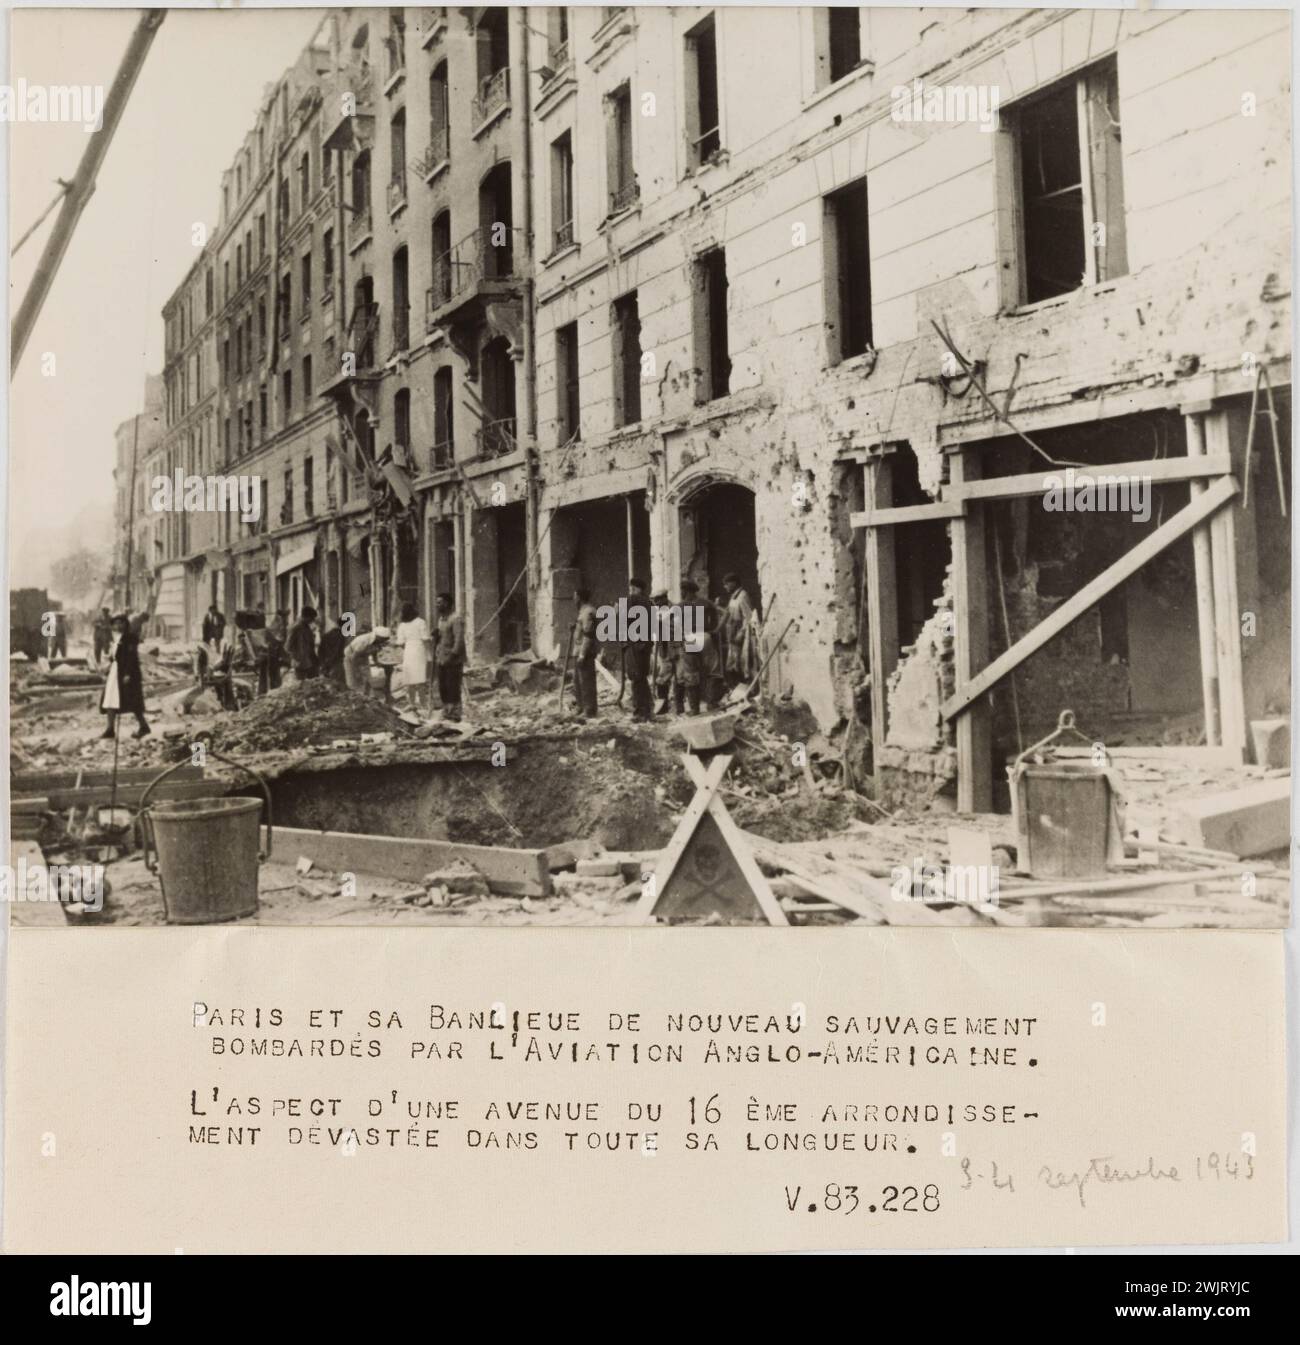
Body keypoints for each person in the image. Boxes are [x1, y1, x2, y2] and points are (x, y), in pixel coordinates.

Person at [99, 613, 150, 739]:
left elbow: (131, 657)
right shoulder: (115, 638)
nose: (118, 625)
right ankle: (110, 729)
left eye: (121, 623)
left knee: (133, 702)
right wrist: (108, 665)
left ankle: (144, 726)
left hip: (129, 673)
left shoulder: (130, 638)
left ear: (125, 624)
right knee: (110, 699)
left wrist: (127, 673)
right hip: (115, 672)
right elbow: (115, 656)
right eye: (115, 623)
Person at [623, 576, 653, 722]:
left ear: (635, 588)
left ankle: (639, 712)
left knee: (636, 678)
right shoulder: (649, 602)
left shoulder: (633, 600)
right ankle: (647, 710)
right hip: (645, 645)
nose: (630, 590)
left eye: (631, 588)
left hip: (635, 644)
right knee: (642, 678)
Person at [721, 572, 758, 689]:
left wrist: (741, 634)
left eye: (727, 584)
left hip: (740, 635)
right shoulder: (733, 597)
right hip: (732, 634)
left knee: (742, 663)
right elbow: (729, 613)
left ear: (734, 583)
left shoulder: (743, 596)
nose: (725, 587)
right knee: (732, 664)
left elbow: (749, 617)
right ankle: (736, 689)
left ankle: (746, 689)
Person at [396, 601, 433, 712]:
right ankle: (423, 704)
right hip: (419, 650)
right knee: (420, 679)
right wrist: (429, 652)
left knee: (410, 679)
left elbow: (400, 642)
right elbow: (425, 638)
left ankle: (412, 703)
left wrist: (407, 646)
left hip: (408, 651)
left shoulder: (402, 625)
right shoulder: (420, 622)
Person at [434, 594, 466, 720]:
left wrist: (452, 656)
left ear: (447, 603)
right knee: (443, 687)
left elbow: (459, 641)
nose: (437, 605)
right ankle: (447, 712)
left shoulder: (456, 618)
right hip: (442, 658)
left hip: (453, 660)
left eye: (439, 603)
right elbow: (442, 638)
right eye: (437, 603)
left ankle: (455, 714)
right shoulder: (441, 619)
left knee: (452, 686)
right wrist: (436, 635)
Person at [572, 587, 599, 720]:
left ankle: (589, 710)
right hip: (578, 651)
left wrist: (582, 654)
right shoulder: (582, 611)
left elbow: (588, 635)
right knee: (577, 681)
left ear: (579, 597)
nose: (573, 598)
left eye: (575, 595)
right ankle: (581, 707)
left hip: (585, 653)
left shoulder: (588, 612)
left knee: (586, 682)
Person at [650, 590, 679, 715]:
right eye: (654, 600)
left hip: (674, 646)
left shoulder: (674, 609)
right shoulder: (658, 610)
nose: (656, 603)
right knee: (663, 674)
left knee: (671, 675)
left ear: (664, 598)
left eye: (657, 600)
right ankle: (664, 704)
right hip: (662, 646)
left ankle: (674, 705)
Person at [344, 626, 391, 696]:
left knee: (367, 678)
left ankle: (368, 697)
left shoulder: (377, 641)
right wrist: (356, 671)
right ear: (378, 637)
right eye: (383, 639)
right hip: (351, 657)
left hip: (363, 657)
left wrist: (376, 662)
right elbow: (354, 656)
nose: (384, 641)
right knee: (354, 680)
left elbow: (374, 651)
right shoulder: (364, 640)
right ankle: (356, 697)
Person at [287, 606, 319, 680]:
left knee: (314, 685)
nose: (312, 620)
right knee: (301, 686)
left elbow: (310, 645)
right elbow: (288, 647)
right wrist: (298, 659)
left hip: (310, 662)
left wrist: (314, 658)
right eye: (311, 618)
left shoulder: (307, 627)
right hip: (301, 664)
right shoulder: (295, 628)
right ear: (306, 617)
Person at [318, 614, 347, 684]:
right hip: (336, 664)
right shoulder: (341, 636)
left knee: (327, 685)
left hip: (325, 663)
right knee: (339, 685)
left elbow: (320, 651)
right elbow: (338, 651)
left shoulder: (325, 635)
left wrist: (323, 664)